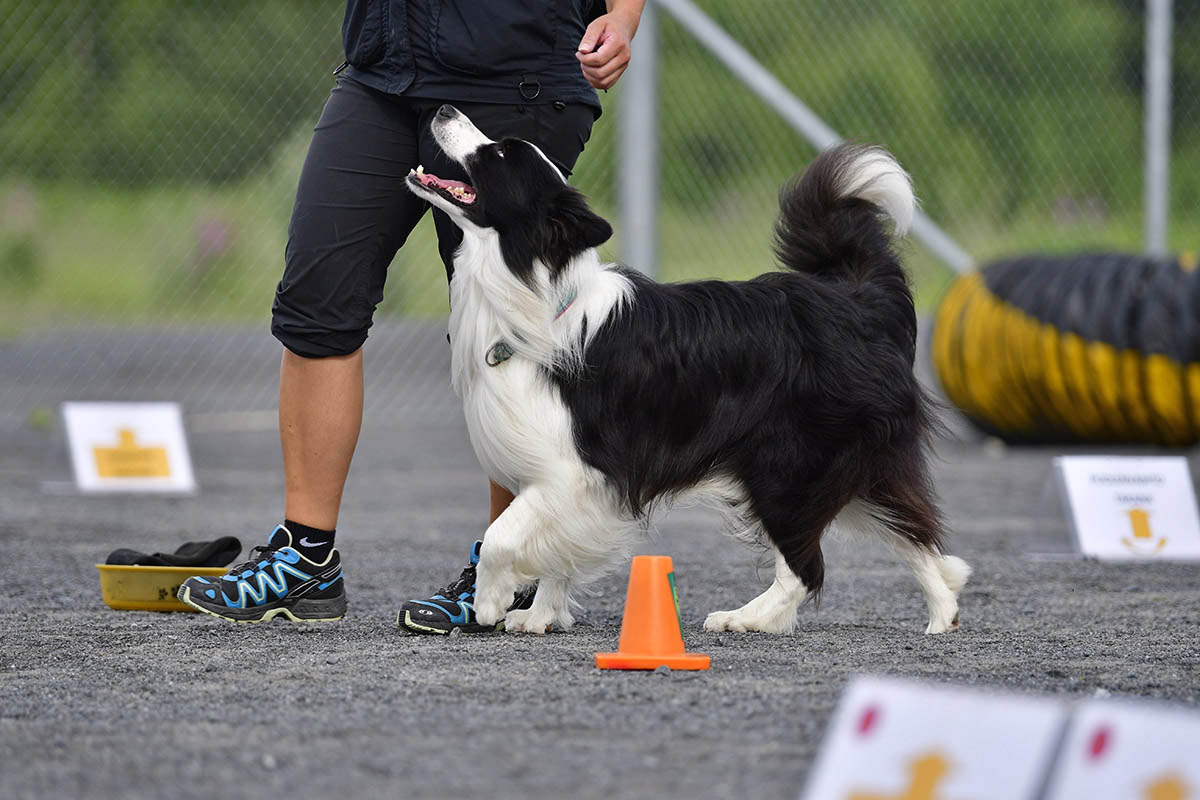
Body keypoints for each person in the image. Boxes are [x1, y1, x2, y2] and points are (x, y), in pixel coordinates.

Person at [178, 0, 647, 628]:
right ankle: (305, 560)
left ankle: (512, 575)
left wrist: (624, 16)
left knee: (511, 328)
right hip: (382, 71)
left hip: (515, 72)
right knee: (317, 300)